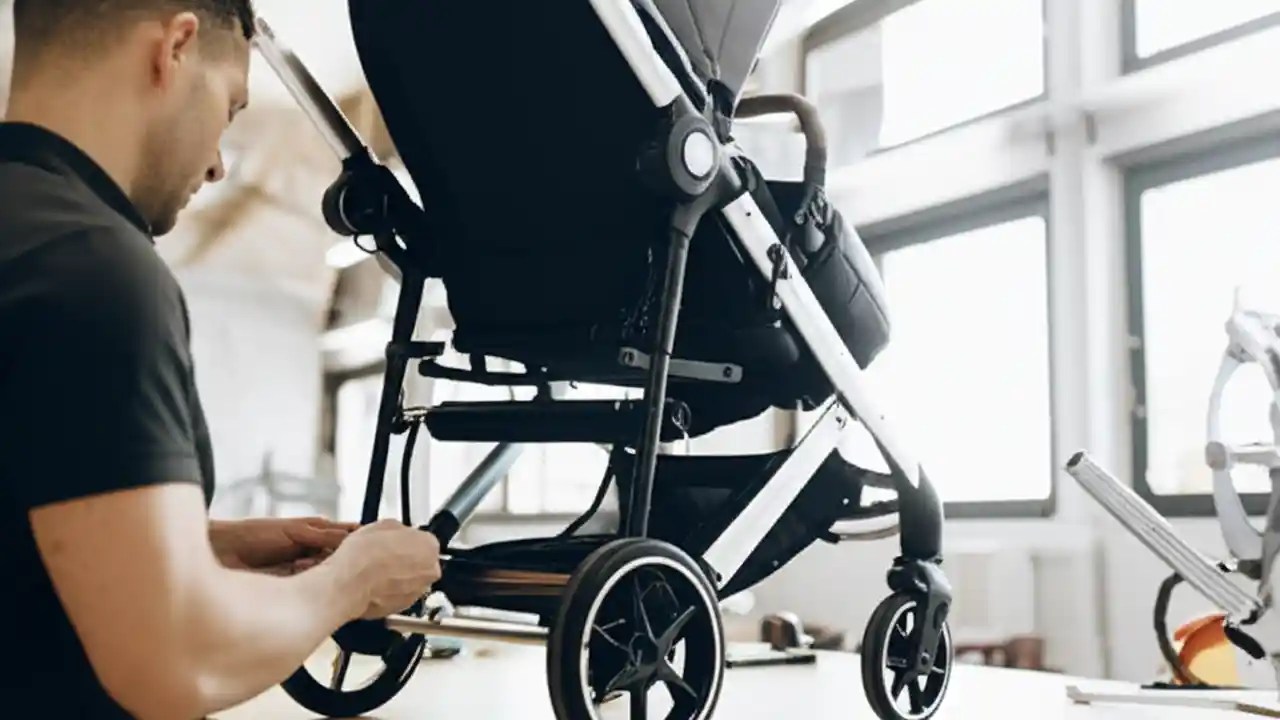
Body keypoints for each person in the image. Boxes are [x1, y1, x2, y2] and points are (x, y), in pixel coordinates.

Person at [0, 1, 442, 718]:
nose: (215, 164)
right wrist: (354, 581)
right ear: (175, 47)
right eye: (231, 109)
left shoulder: (25, 239)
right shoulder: (91, 269)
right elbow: (178, 658)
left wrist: (206, 550)